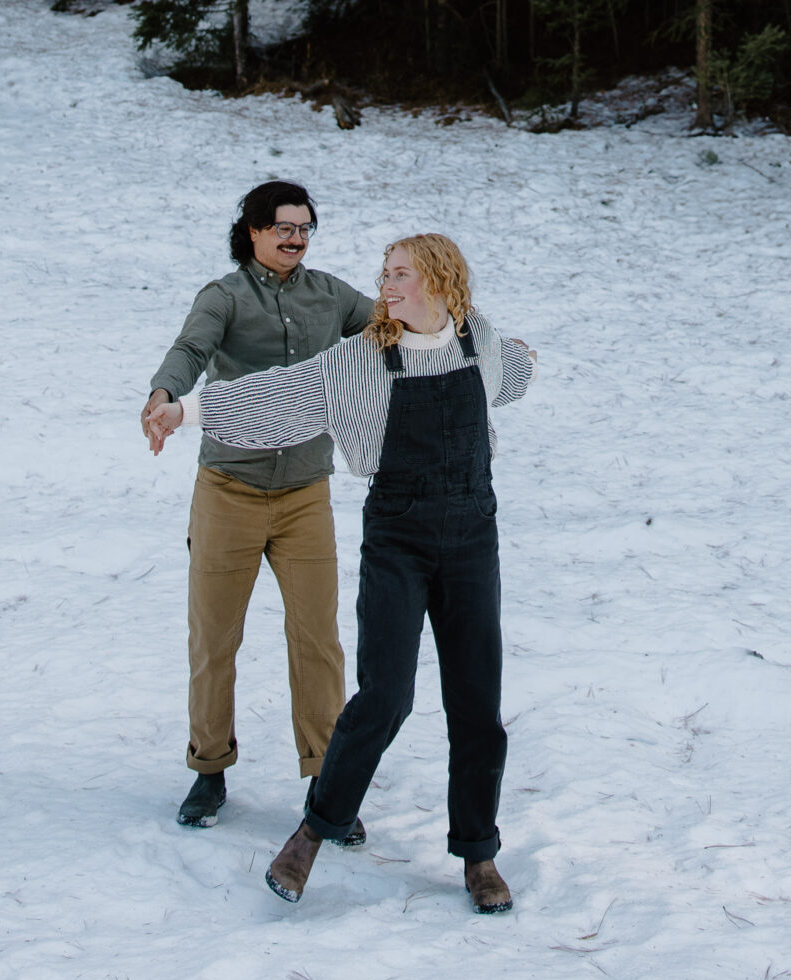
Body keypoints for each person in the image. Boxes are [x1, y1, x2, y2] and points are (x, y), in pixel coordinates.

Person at [146, 233, 535, 913]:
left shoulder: (478, 340)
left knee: (478, 704)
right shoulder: (361, 362)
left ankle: (479, 854)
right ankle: (310, 835)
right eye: (384, 274)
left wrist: (526, 362)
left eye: (400, 274)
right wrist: (187, 411)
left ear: (440, 281)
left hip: (473, 537)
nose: (386, 285)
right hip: (398, 541)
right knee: (383, 698)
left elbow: (508, 374)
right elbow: (280, 395)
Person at [144, 181, 373, 829]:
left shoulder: (329, 295)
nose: (295, 239)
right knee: (215, 637)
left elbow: (391, 327)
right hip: (229, 494)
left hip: (306, 494)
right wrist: (164, 394)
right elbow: (190, 351)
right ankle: (208, 770)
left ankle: (326, 782)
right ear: (251, 231)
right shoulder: (223, 298)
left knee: (318, 640)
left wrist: (458, 338)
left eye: (304, 228)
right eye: (282, 228)